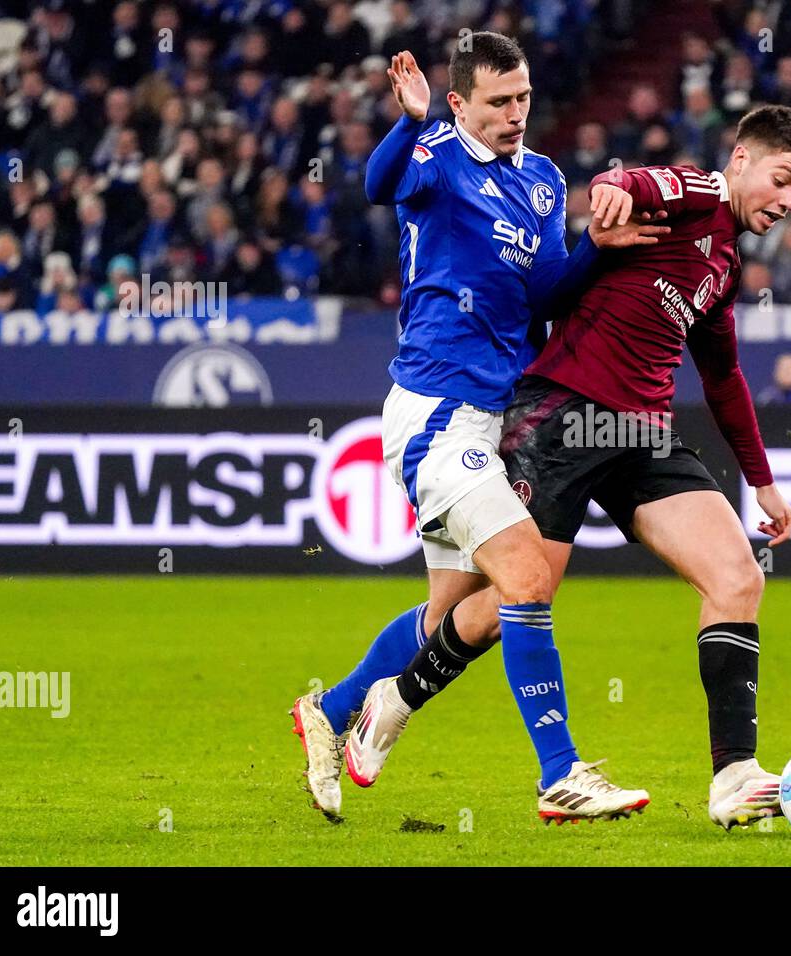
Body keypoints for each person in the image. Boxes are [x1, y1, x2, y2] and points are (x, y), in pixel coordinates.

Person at [346, 105, 791, 829]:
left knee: (737, 576)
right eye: (782, 180)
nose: (787, 201)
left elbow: (723, 377)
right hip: (562, 414)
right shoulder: (696, 192)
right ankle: (396, 697)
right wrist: (613, 194)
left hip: (641, 433)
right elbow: (625, 182)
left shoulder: (724, 262)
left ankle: (734, 775)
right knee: (507, 604)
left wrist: (762, 480)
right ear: (744, 160)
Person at [290, 34, 664, 823]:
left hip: (494, 415)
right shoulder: (434, 153)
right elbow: (377, 181)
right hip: (435, 410)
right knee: (529, 576)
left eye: (523, 98)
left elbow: (543, 295)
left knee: (454, 616)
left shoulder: (540, 180)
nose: (515, 114)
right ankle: (560, 773)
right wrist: (408, 121)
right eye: (498, 101)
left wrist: (595, 247)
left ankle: (330, 713)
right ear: (460, 103)